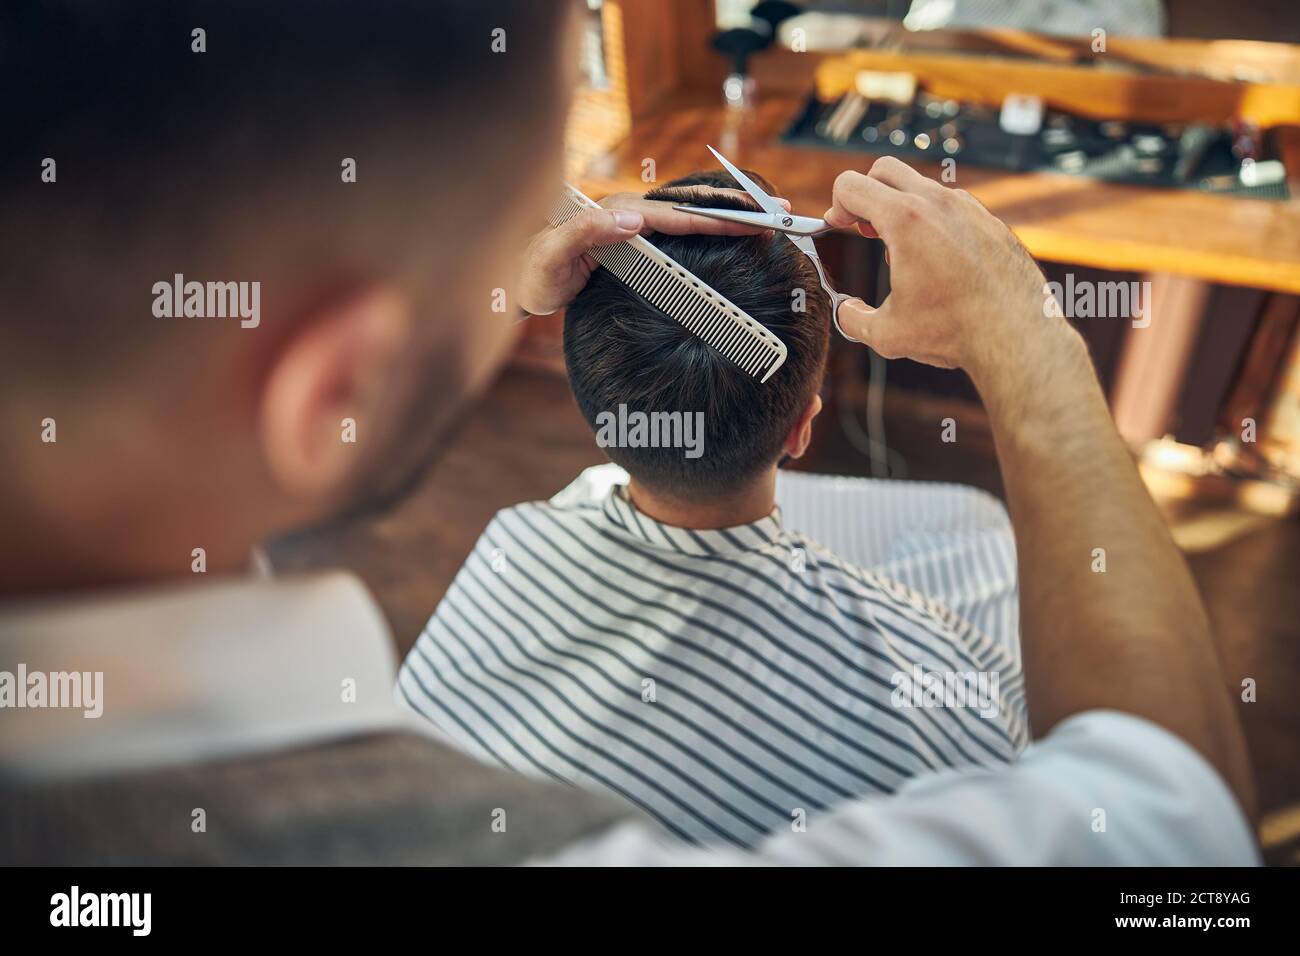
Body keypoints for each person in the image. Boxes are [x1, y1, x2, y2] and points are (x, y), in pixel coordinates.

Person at [0, 1, 1256, 865]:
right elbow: (1171, 825)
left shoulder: (502, 556)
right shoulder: (925, 689)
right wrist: (1026, 337)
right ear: (807, 419)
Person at [398, 170, 1028, 848]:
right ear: (802, 428)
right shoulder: (934, 683)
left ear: (597, 415)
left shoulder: (510, 545)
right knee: (981, 526)